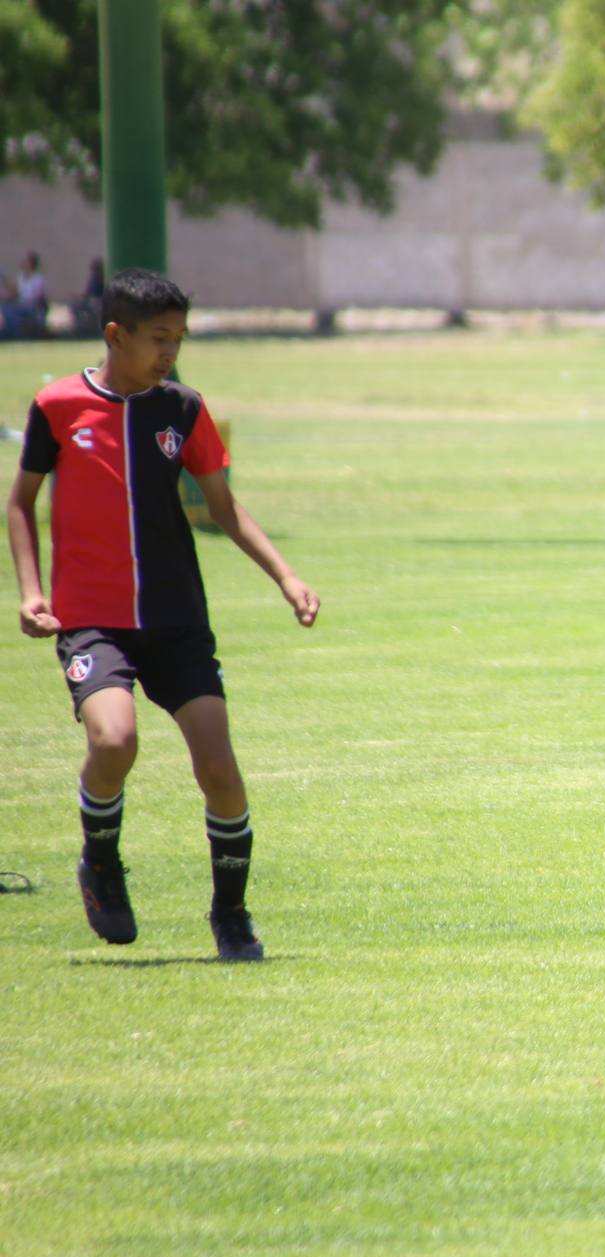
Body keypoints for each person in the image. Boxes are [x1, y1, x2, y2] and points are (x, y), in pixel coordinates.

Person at [6, 269, 321, 960]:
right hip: (93, 619)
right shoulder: (57, 407)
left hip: (177, 618)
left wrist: (287, 577)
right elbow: (21, 503)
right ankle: (102, 860)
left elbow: (226, 509)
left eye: (178, 338)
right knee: (114, 743)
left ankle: (231, 915)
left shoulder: (183, 409)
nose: (171, 352)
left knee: (220, 769)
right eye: (158, 338)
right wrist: (32, 592)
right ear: (115, 334)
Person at [2, 251, 48, 339]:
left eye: (25, 261)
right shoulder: (21, 277)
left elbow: (38, 296)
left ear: (31, 264)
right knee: (5, 308)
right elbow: (13, 292)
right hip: (21, 304)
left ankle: (16, 334)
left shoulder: (38, 279)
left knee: (12, 310)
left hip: (32, 306)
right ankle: (10, 332)